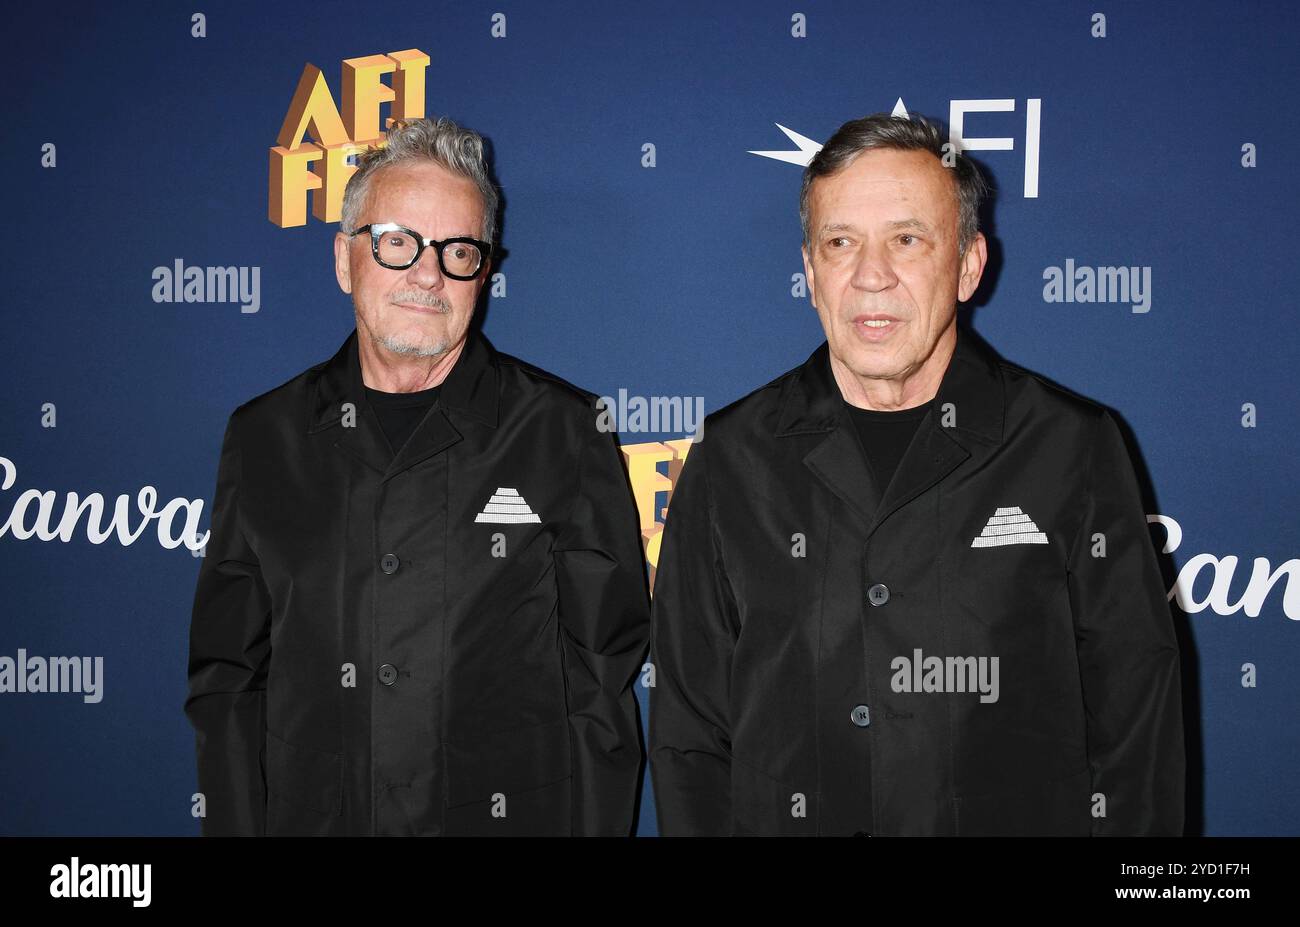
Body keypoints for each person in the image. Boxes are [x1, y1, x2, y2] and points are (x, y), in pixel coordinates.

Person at [648, 113, 1185, 836]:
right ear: (810, 271)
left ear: (968, 264)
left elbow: (1135, 727)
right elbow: (690, 734)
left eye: (907, 239)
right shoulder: (728, 458)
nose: (872, 276)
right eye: (841, 243)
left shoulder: (1073, 447)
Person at [185, 116, 650, 836]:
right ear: (346, 259)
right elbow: (228, 680)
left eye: (458, 249)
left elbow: (602, 688)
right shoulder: (262, 436)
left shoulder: (564, 432)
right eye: (398, 242)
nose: (428, 274)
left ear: (484, 271)